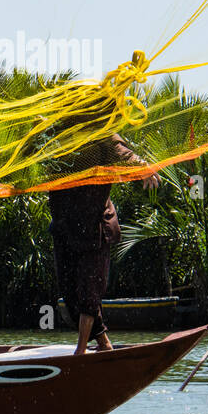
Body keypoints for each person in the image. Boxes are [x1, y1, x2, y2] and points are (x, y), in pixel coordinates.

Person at [48, 128, 157, 355]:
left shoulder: (101, 132)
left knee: (89, 291)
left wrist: (142, 167)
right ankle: (104, 343)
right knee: (69, 293)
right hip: (65, 226)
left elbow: (123, 153)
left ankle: (80, 351)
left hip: (94, 226)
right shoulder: (55, 132)